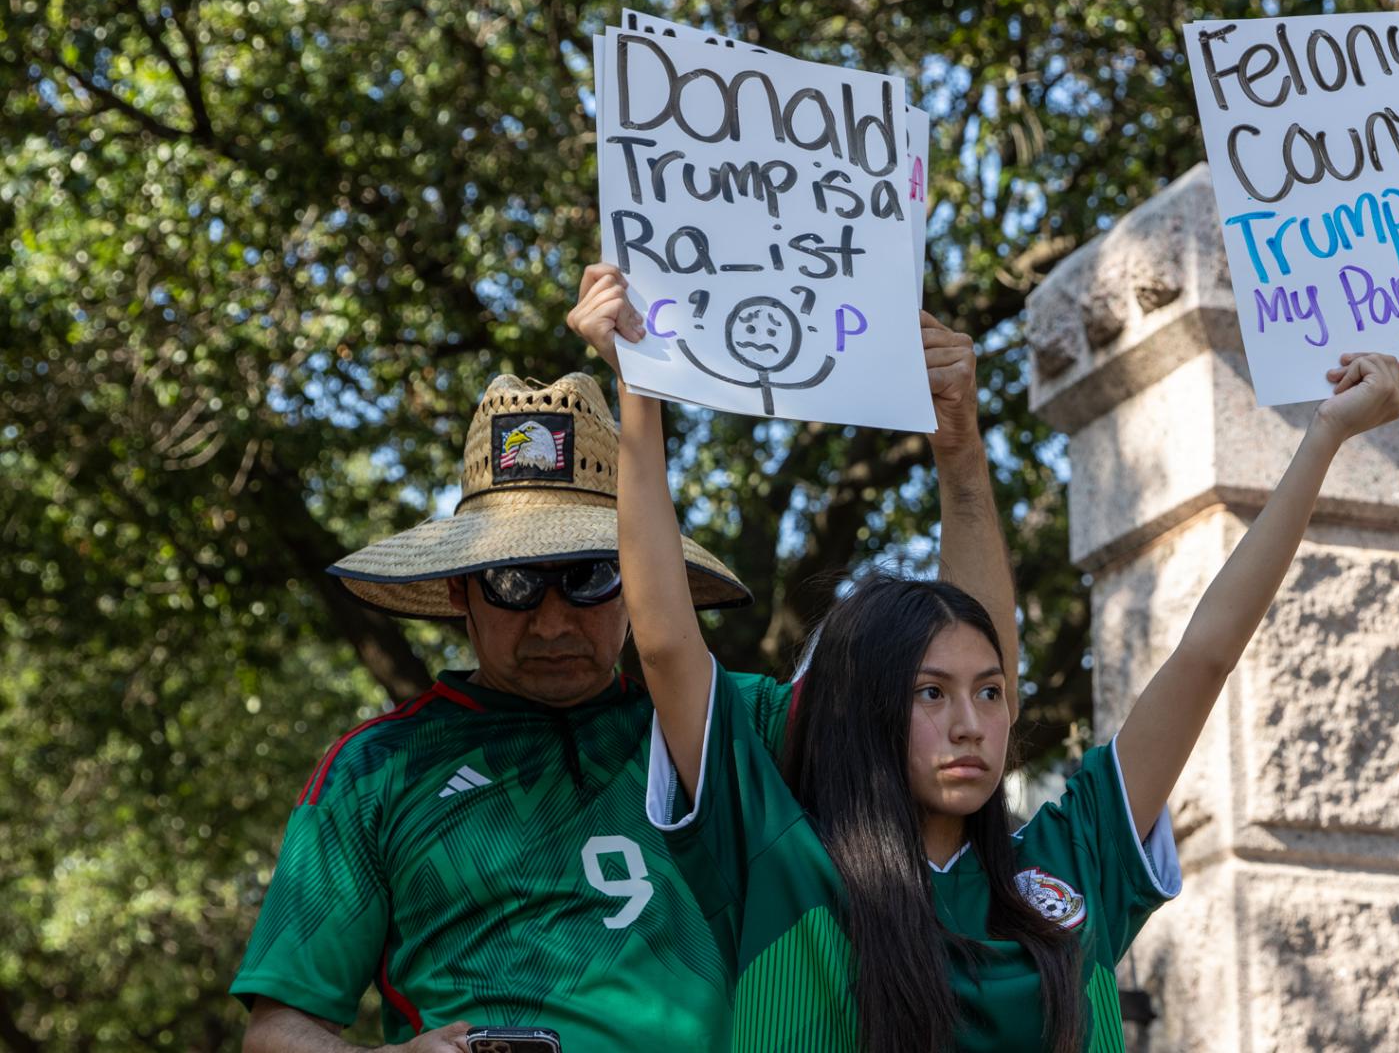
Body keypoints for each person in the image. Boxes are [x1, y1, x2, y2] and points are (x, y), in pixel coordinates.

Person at [579, 267, 1399, 1052]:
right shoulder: (778, 857)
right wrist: (641, 389)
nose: (971, 724)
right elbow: (663, 639)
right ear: (863, 710)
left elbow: (1205, 655)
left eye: (991, 693)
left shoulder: (1067, 863)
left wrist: (1324, 438)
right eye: (930, 694)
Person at [230, 265, 1018, 1053]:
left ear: (636, 577)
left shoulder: (724, 731)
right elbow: (278, 1028)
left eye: (589, 575)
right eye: (513, 582)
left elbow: (963, 671)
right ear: (460, 594)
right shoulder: (376, 771)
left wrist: (959, 452)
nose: (551, 620)